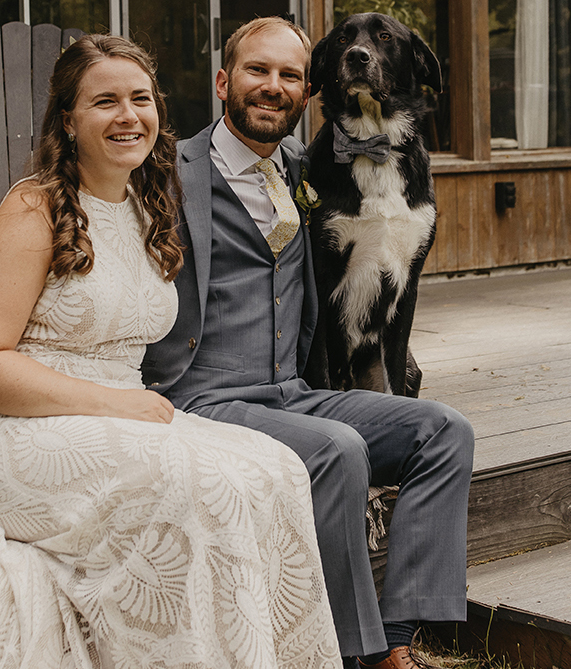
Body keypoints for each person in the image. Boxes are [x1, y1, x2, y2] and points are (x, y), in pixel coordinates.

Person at [0, 33, 342, 669]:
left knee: (276, 470)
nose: (128, 116)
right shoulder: (35, 207)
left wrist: (129, 406)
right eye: (105, 102)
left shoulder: (149, 206)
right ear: (68, 120)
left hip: (126, 414)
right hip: (18, 430)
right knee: (199, 485)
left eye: (141, 99)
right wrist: (114, 404)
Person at [142, 17, 475, 669]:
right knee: (339, 449)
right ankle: (363, 653)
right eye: (256, 70)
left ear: (307, 91)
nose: (273, 86)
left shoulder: (312, 168)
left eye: (288, 75)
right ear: (223, 82)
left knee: (445, 431)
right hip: (204, 396)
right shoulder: (167, 172)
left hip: (294, 391)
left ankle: (399, 630)